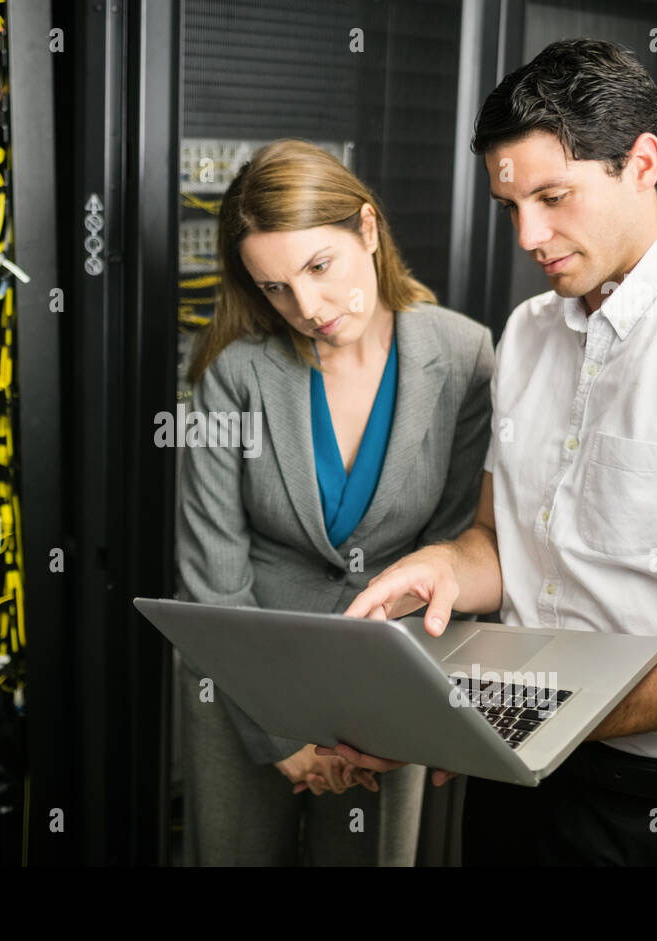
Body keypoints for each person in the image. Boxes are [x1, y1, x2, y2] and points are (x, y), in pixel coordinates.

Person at [335, 38, 657, 866]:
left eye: (553, 196)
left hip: (648, 787)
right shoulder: (531, 332)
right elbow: (504, 545)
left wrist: (503, 712)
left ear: (641, 162)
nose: (529, 235)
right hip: (513, 751)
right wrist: (443, 568)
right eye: (510, 206)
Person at [176, 139, 494, 866]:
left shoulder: (465, 357)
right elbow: (210, 576)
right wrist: (279, 738)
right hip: (242, 683)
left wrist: (389, 719)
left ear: (368, 230)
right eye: (276, 288)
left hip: (389, 680)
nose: (307, 307)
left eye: (319, 268)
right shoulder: (234, 376)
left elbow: (452, 554)